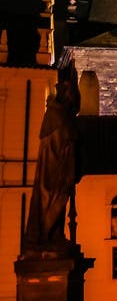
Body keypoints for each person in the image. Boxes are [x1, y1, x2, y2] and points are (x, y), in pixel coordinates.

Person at [24, 62, 81, 252]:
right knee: (54, 202)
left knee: (51, 203)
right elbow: (68, 149)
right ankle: (50, 236)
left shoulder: (54, 115)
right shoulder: (61, 119)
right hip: (56, 176)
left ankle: (51, 235)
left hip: (51, 175)